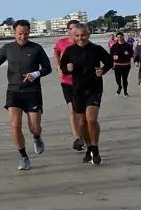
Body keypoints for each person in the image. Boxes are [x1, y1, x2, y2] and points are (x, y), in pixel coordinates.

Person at [0, 20, 53, 170]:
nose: (23, 37)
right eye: (20, 34)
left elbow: (47, 68)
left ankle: (37, 137)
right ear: (14, 33)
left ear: (29, 32)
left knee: (34, 127)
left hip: (33, 92)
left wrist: (35, 74)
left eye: (25, 33)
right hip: (13, 92)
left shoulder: (36, 48)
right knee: (15, 125)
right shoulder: (8, 48)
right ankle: (24, 157)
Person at [58, 23, 113, 165]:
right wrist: (67, 68)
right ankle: (89, 147)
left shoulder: (96, 49)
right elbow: (63, 68)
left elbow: (109, 61)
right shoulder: (70, 51)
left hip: (94, 88)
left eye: (83, 35)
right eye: (77, 35)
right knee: (82, 122)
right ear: (73, 36)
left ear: (88, 35)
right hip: (77, 89)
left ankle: (95, 147)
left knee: (91, 119)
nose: (80, 38)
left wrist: (103, 70)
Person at [53, 21, 84, 152]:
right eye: (72, 28)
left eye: (77, 28)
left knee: (81, 112)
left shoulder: (82, 42)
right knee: (71, 108)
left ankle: (83, 134)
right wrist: (59, 66)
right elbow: (56, 51)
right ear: (68, 30)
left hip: (82, 81)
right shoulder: (61, 42)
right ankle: (77, 138)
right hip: (67, 81)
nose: (74, 31)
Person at [109, 32, 134, 97]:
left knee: (125, 79)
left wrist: (128, 54)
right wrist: (113, 56)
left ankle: (125, 92)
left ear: (123, 37)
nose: (119, 38)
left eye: (121, 37)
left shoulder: (128, 45)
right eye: (118, 37)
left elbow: (132, 54)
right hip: (117, 65)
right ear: (116, 38)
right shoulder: (114, 46)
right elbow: (111, 54)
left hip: (126, 65)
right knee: (117, 79)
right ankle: (119, 87)